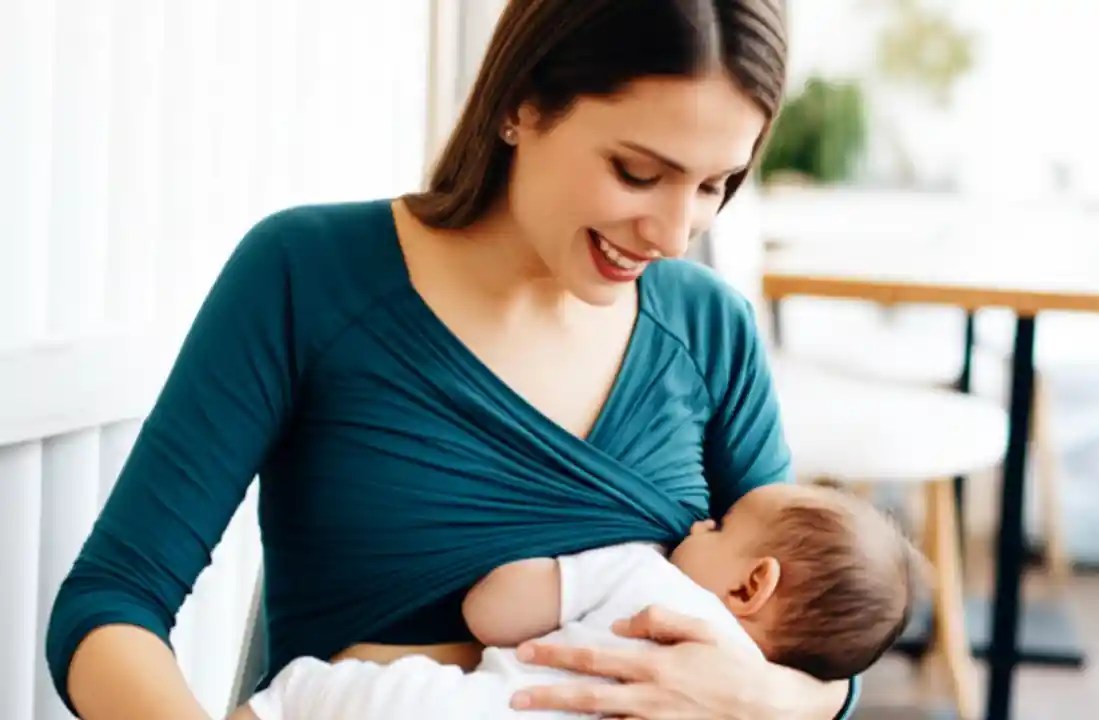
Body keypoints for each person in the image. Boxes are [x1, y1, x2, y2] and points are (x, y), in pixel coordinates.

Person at [45, 1, 864, 717]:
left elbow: (812, 635)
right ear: (522, 102)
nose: (676, 233)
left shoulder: (709, 326)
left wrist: (765, 698)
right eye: (638, 172)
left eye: (716, 185)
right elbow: (112, 602)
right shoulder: (308, 276)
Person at [234, 485, 920, 719]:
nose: (698, 523)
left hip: (472, 711)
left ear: (750, 584)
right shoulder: (735, 696)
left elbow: (490, 613)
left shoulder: (647, 579)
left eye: (721, 525)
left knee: (302, 696)